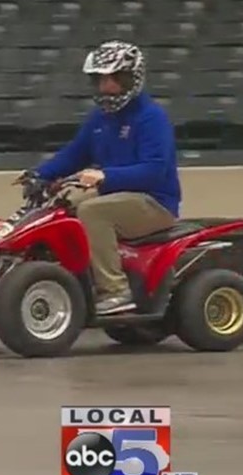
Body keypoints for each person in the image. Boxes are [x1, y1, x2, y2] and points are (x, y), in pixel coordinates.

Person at [16, 40, 182, 315]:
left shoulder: (151, 118)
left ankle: (116, 291)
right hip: (115, 195)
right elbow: (75, 154)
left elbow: (154, 171)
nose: (107, 87)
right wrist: (39, 174)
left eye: (114, 79)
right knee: (60, 204)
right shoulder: (100, 118)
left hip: (155, 203)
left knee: (92, 211)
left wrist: (105, 176)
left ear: (132, 78)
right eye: (100, 80)